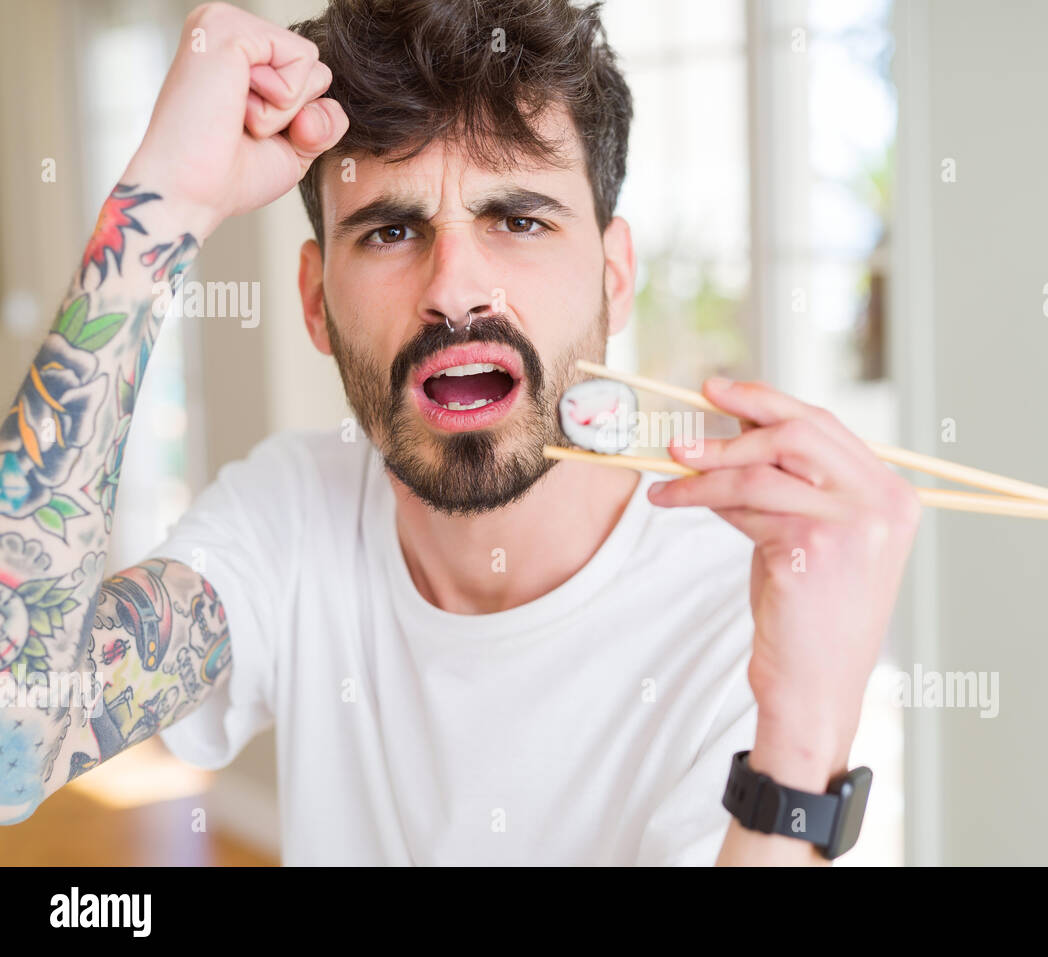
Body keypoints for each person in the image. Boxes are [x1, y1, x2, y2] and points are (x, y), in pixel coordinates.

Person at [0, 0, 920, 865]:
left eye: (518, 219)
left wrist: (801, 744)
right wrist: (161, 202)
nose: (454, 287)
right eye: (392, 232)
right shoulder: (290, 515)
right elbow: (15, 734)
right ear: (317, 303)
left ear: (614, 278)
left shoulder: (749, 615)